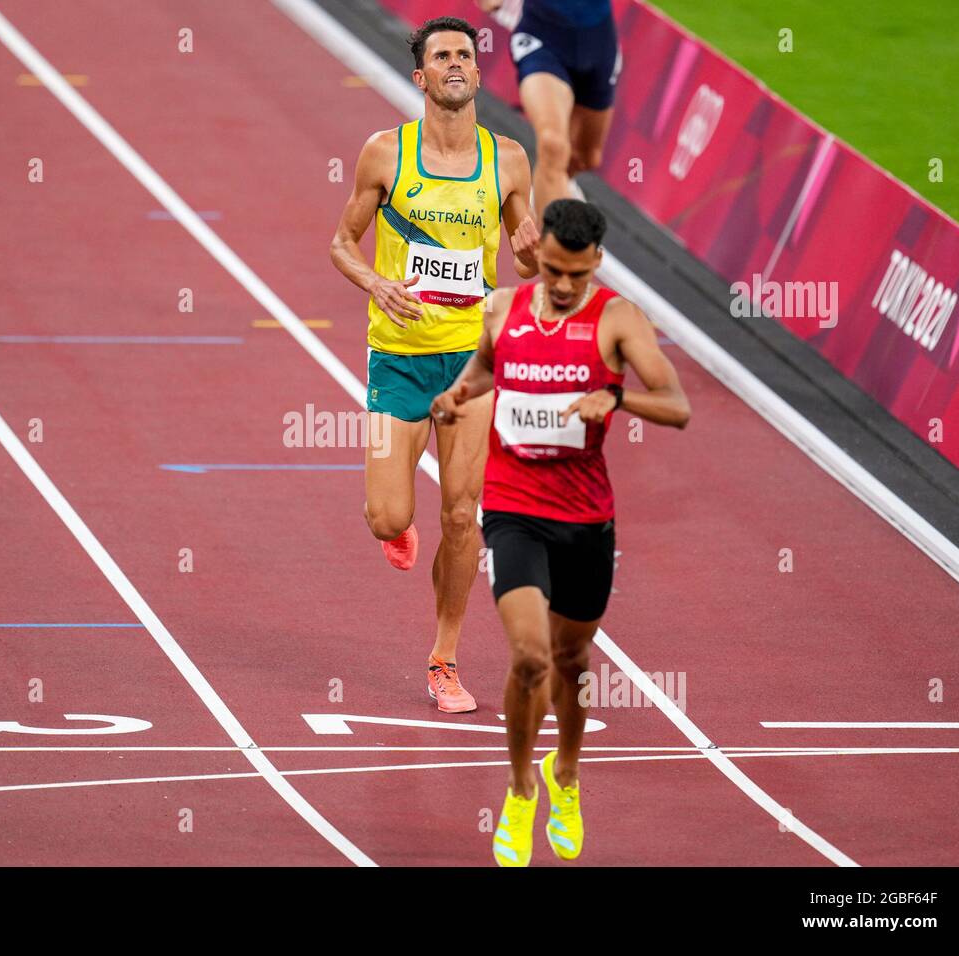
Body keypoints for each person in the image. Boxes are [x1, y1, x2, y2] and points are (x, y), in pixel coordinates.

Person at [430, 199, 690, 865]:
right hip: (515, 508)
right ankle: (519, 791)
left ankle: (564, 775)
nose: (563, 285)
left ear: (597, 260)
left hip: (586, 518)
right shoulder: (504, 309)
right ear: (538, 255)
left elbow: (678, 406)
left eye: (576, 274)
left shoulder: (619, 320)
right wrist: (459, 393)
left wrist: (619, 398)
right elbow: (489, 368)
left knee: (572, 663)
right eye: (552, 270)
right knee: (530, 657)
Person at [330, 16, 542, 713]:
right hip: (398, 357)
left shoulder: (508, 160)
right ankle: (396, 526)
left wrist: (541, 254)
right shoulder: (385, 154)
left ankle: (444, 660)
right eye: (441, 55)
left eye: (465, 54)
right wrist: (376, 284)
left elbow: (527, 250)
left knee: (462, 516)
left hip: (471, 364)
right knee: (385, 515)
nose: (455, 63)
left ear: (478, 75)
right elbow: (341, 244)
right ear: (420, 77)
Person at [476, 0, 621, 210]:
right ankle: (547, 238)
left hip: (598, 42)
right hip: (542, 37)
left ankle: (552, 187)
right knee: (553, 144)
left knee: (586, 158)